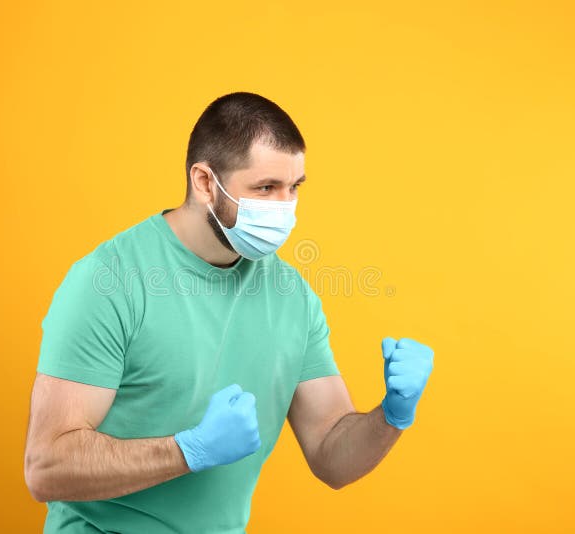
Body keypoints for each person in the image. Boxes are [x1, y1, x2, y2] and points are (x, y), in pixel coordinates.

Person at [23, 91, 434, 533]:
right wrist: (190, 450)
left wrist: (391, 415)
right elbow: (46, 467)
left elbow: (332, 455)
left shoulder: (292, 297)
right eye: (264, 188)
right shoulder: (109, 281)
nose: (284, 208)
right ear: (204, 182)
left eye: (293, 187)